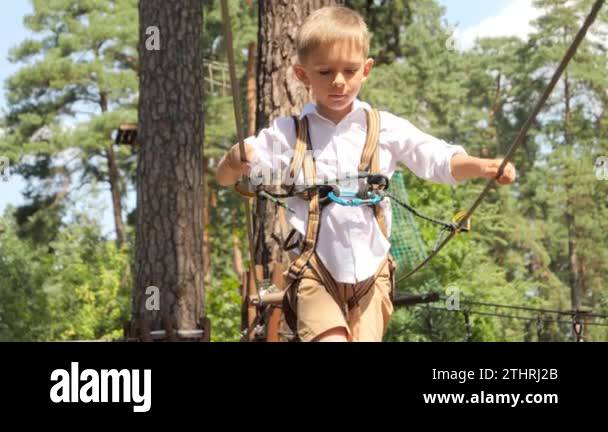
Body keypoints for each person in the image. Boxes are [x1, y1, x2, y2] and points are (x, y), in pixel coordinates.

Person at [215, 6, 516, 342]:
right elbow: (229, 176)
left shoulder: (383, 127)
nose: (339, 81)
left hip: (372, 275)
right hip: (315, 271)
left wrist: (483, 166)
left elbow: (435, 158)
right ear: (302, 75)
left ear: (366, 69)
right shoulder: (290, 134)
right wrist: (234, 160)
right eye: (325, 71)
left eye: (350, 70)